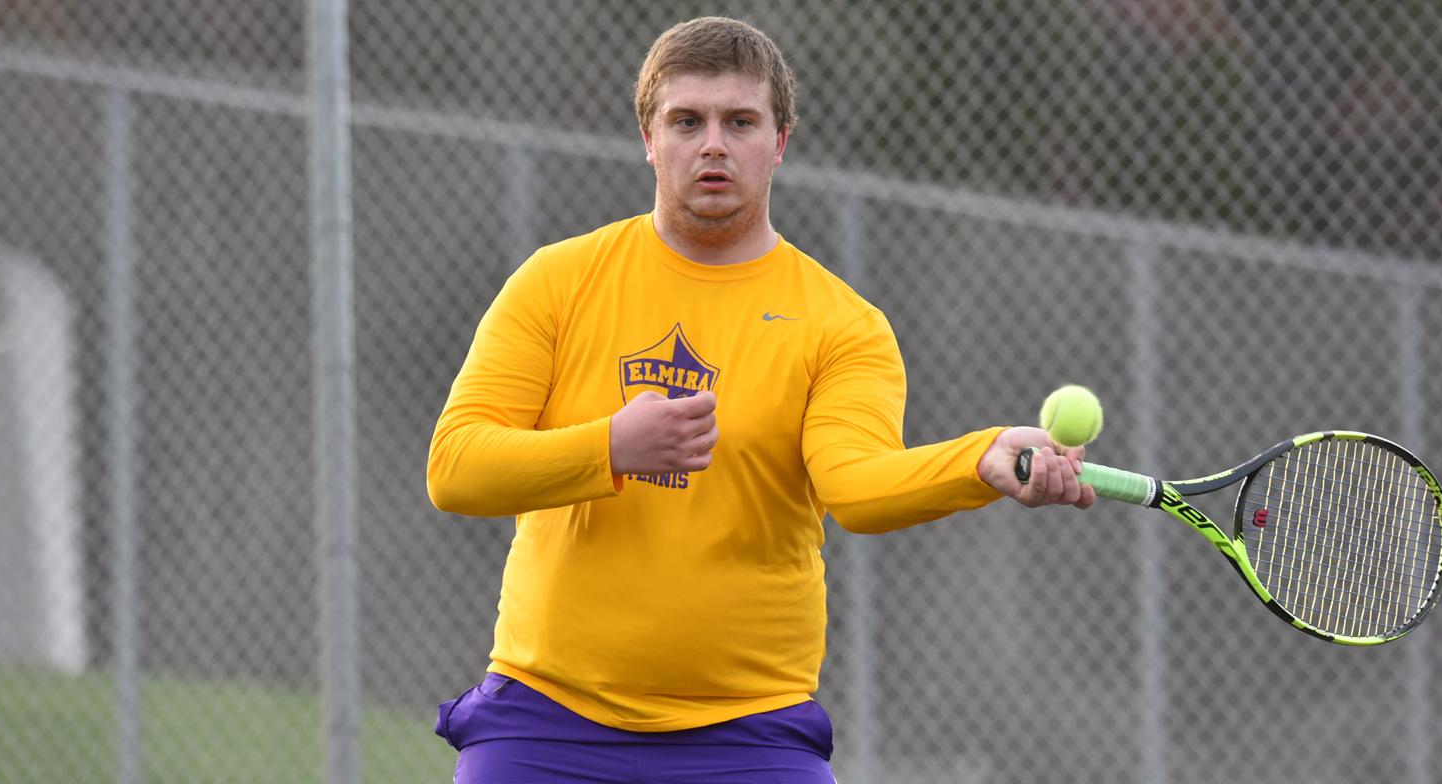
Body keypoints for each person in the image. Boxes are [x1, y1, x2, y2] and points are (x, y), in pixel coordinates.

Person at [426, 16, 1094, 783]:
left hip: (749, 735)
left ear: (779, 142)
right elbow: (456, 468)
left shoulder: (843, 324)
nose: (713, 143)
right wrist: (610, 446)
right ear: (649, 136)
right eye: (687, 121)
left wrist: (979, 459)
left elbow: (857, 487)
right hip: (546, 721)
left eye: (740, 121)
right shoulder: (556, 281)